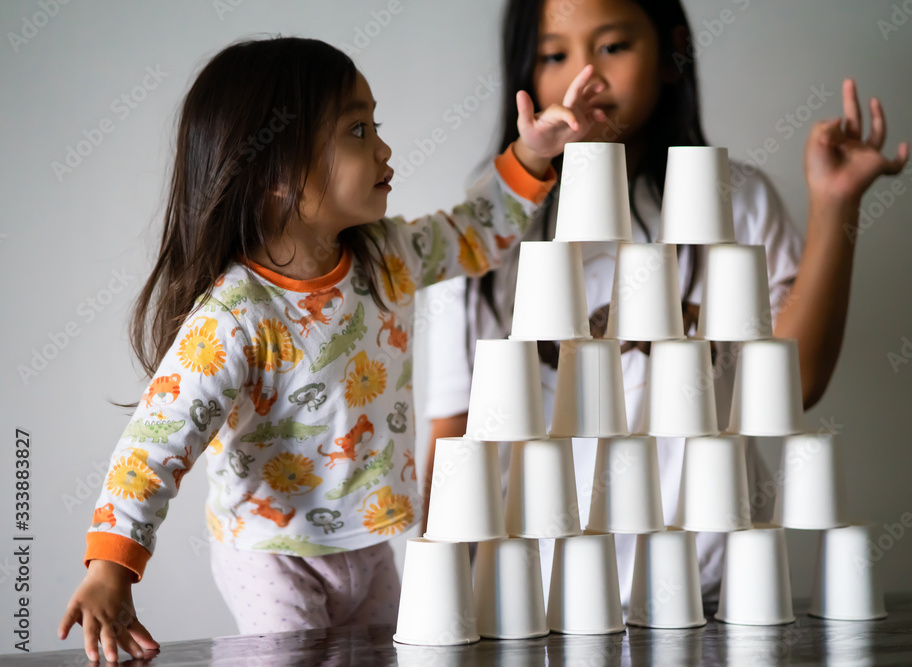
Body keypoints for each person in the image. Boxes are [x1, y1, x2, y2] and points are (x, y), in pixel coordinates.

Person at [57, 36, 605, 662]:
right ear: (275, 174)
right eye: (357, 129)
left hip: (369, 543)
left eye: (376, 124)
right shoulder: (235, 316)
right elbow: (156, 442)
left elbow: (474, 234)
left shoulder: (387, 255)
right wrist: (112, 566)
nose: (384, 148)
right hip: (271, 555)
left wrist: (532, 154)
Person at [423, 0, 909, 609]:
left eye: (612, 47)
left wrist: (835, 204)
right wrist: (437, 598)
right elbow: (453, 439)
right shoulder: (483, 238)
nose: (584, 76)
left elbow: (797, 382)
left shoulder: (737, 201)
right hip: (533, 600)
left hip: (714, 592)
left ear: (672, 56)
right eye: (554, 55)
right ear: (526, 76)